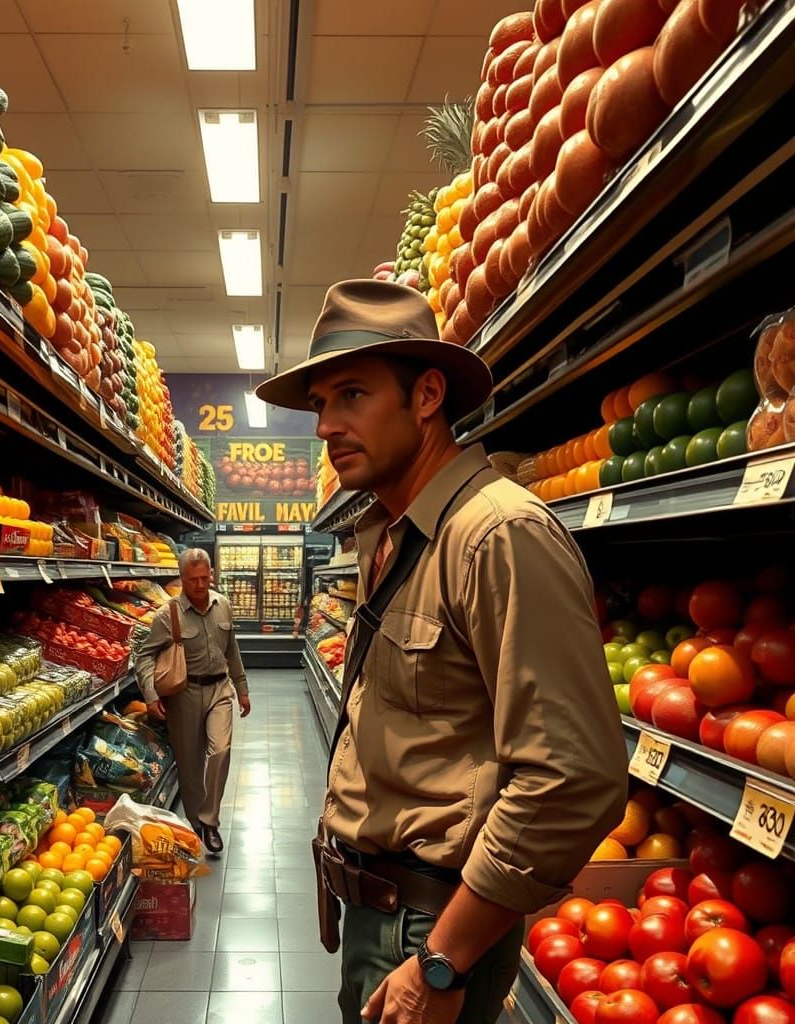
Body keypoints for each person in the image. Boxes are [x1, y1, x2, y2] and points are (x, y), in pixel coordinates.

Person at [256, 279, 628, 1024]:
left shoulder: (498, 535)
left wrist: (442, 959)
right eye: (320, 404)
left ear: (427, 396)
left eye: (351, 395)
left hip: (429, 927)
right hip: (384, 916)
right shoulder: (396, 537)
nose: (326, 424)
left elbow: (575, 778)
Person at [135, 549, 251, 855]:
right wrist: (150, 695)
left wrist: (242, 688)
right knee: (189, 764)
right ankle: (195, 819)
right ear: (182, 579)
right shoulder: (167, 615)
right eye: (193, 579)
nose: (200, 584)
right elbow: (144, 656)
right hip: (184, 694)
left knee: (220, 750)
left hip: (219, 689)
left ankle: (209, 821)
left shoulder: (223, 605)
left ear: (211, 574)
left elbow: (232, 649)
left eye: (205, 577)